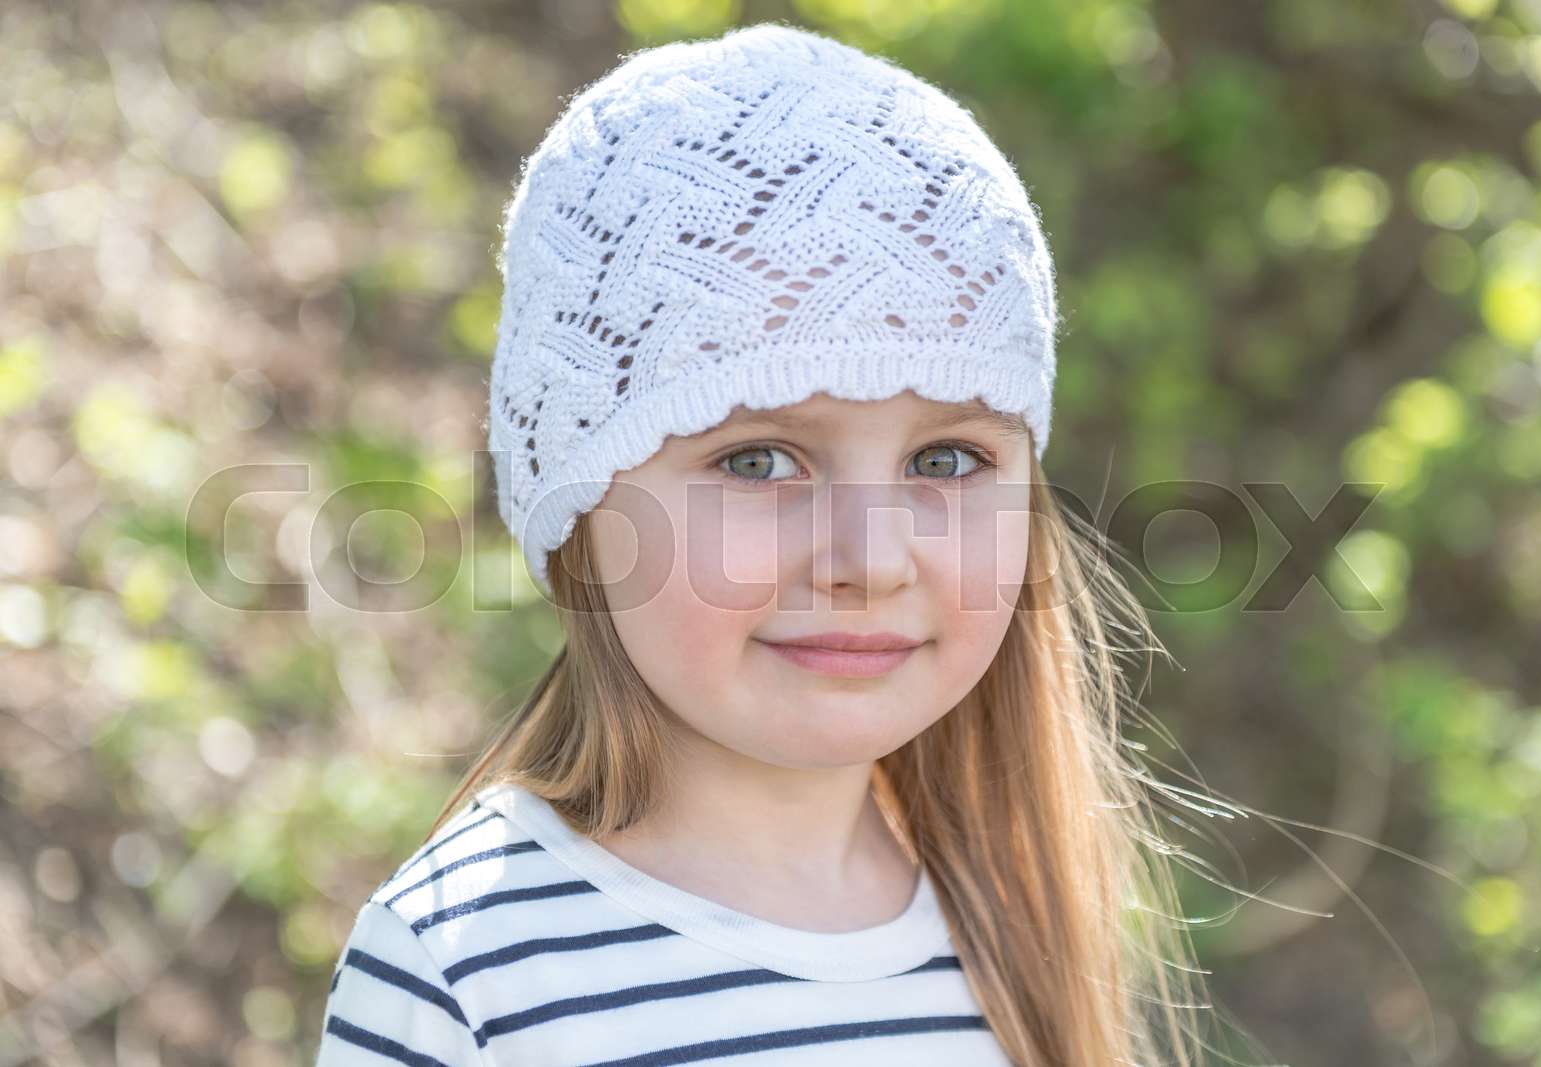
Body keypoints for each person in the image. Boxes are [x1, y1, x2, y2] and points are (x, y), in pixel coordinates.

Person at [314, 20, 1219, 1067]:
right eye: (757, 461)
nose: (868, 559)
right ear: (581, 510)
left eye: (947, 460)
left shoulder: (1011, 920)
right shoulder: (473, 965)